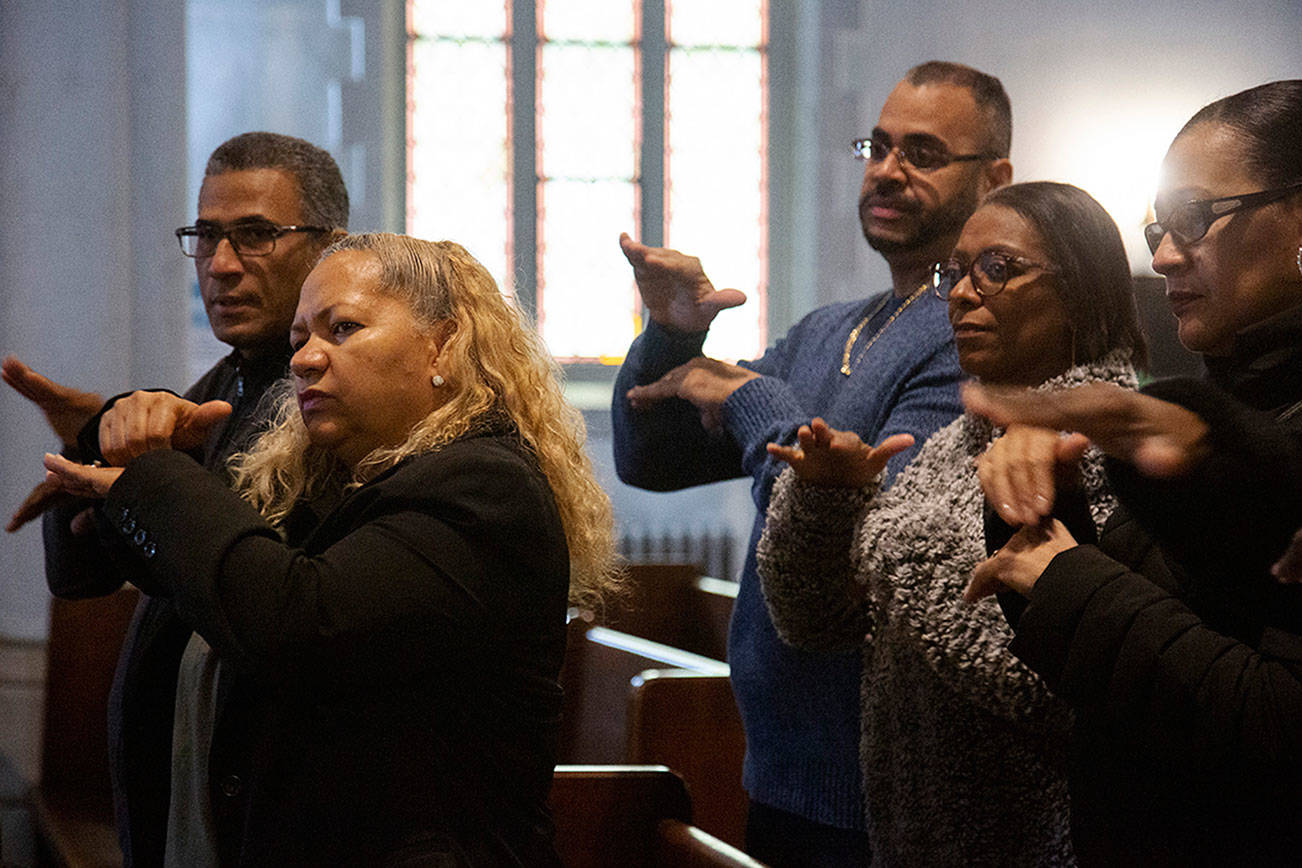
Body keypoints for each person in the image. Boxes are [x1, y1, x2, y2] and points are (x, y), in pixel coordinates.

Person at [41, 233, 620, 864]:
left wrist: (159, 478)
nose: (305, 359)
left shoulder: (484, 484)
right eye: (300, 340)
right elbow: (215, 578)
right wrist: (115, 476)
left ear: (445, 343)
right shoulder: (327, 481)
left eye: (343, 328)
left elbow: (296, 621)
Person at [611, 61, 1012, 863]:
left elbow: (876, 534)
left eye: (923, 153)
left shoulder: (972, 337)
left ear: (994, 179)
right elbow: (651, 458)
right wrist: (674, 335)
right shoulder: (830, 329)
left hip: (882, 792)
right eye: (878, 146)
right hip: (778, 772)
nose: (888, 170)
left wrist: (750, 397)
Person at [754, 182, 1146, 865]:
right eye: (956, 272)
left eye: (996, 269)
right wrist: (824, 502)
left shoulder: (1107, 443)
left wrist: (888, 545)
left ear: (1080, 290)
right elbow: (816, 623)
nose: (961, 294)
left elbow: (1039, 680)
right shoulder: (957, 442)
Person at [964, 80, 1302, 865]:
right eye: (1159, 226)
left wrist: (1064, 578)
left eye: (1195, 217)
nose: (1162, 255)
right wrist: (1042, 509)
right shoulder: (1229, 397)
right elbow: (1126, 672)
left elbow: (1278, 731)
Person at [11, 131, 351, 865]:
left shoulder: (335, 402)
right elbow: (80, 574)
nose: (220, 264)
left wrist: (137, 469)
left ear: (330, 246)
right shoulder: (221, 384)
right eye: (206, 236)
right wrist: (90, 443)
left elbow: (262, 588)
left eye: (255, 234)